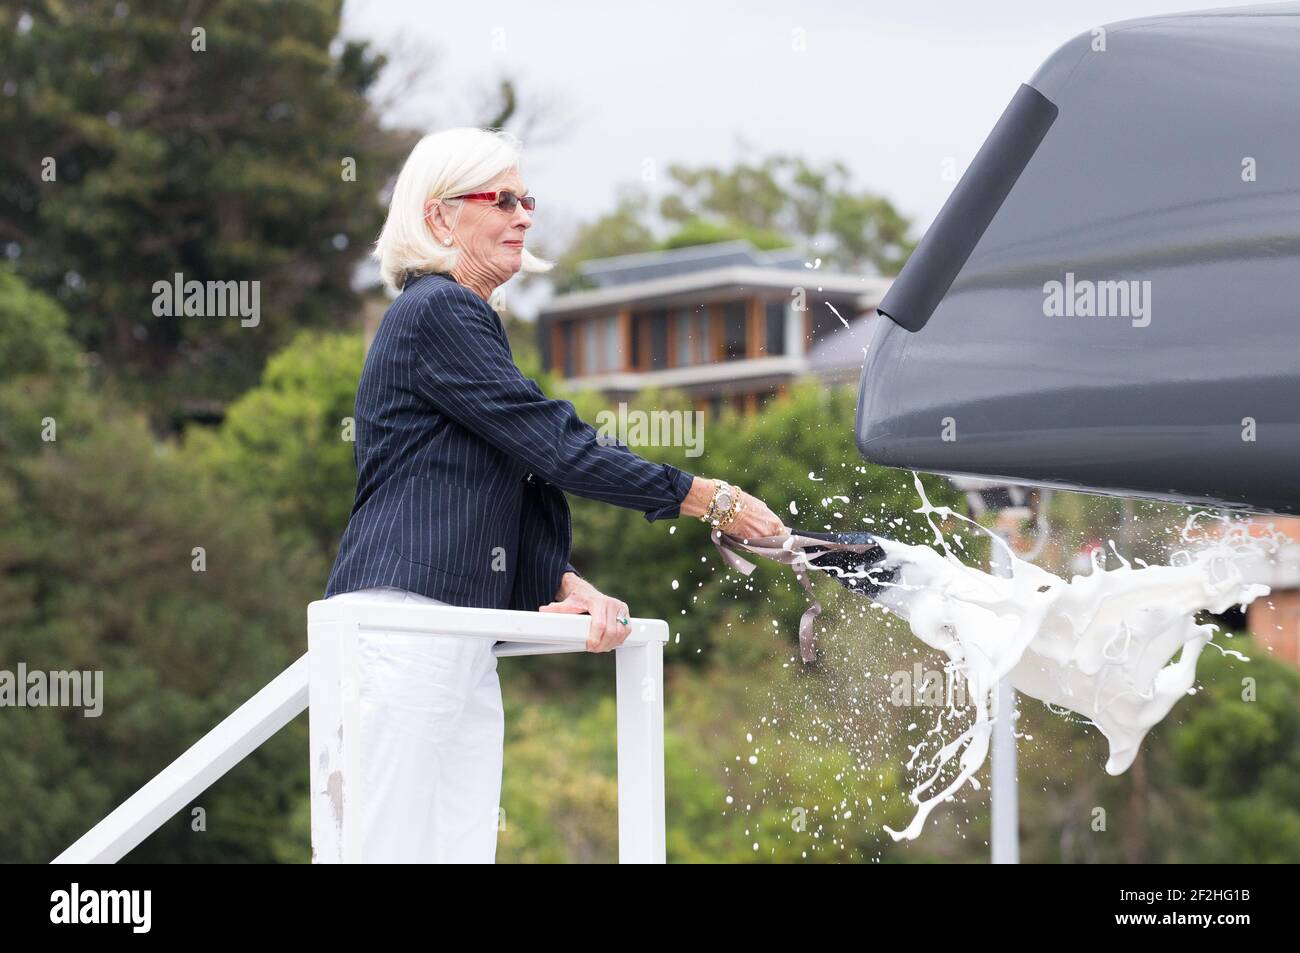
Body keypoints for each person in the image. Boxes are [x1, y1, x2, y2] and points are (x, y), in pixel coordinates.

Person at [323, 127, 785, 862]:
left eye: (527, 198)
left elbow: (496, 478)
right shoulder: (439, 310)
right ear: (439, 217)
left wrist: (560, 581)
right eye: (501, 198)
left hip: (453, 630)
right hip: (405, 625)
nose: (525, 214)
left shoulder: (462, 322)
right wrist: (704, 496)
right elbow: (557, 444)